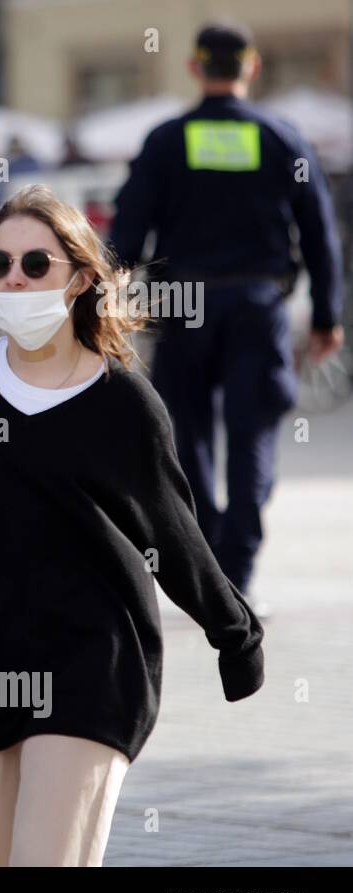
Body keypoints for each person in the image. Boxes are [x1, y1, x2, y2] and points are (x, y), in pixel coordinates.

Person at [0, 184, 265, 866]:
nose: (14, 279)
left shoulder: (121, 398)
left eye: (37, 265)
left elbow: (172, 533)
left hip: (93, 665)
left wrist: (234, 634)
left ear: (83, 278)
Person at [108, 20, 345, 607]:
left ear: (195, 67)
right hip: (255, 306)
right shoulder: (282, 139)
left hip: (182, 303)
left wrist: (108, 297)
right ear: (252, 67)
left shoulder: (166, 140)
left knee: (185, 439)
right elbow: (320, 233)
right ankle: (236, 571)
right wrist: (326, 316)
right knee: (254, 436)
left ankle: (210, 558)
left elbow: (129, 231)